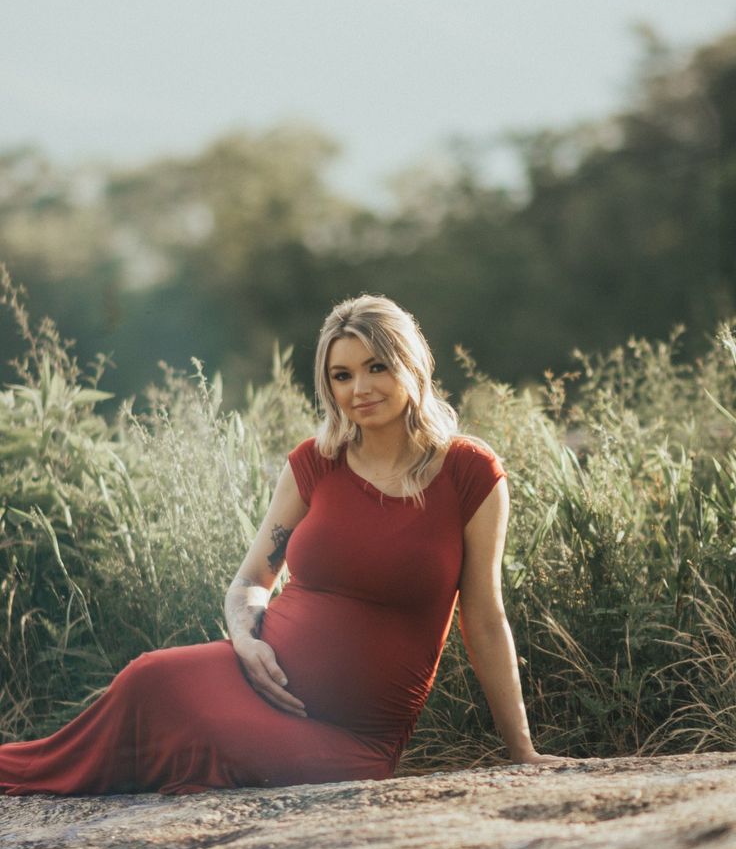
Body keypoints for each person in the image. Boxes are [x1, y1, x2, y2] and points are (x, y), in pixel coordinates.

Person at [0, 294, 571, 797]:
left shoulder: (469, 472)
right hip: (254, 675)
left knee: (181, 733)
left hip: (354, 738)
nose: (360, 389)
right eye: (342, 376)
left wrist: (520, 750)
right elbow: (252, 580)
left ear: (412, 366)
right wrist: (246, 639)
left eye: (376, 367)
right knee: (149, 677)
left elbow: (485, 617)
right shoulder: (315, 463)